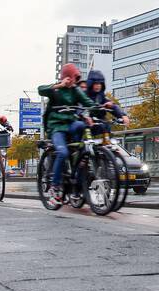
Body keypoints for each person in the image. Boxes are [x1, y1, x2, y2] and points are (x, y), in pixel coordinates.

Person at [38, 64, 96, 201]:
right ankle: (54, 186)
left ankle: (80, 157)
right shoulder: (56, 90)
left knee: (82, 126)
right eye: (73, 78)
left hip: (70, 125)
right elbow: (40, 89)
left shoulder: (76, 90)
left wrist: (100, 108)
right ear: (67, 77)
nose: (75, 81)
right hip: (56, 128)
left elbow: (88, 102)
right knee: (63, 152)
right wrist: (59, 85)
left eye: (76, 78)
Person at [84, 69, 130, 139]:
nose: (98, 86)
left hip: (100, 125)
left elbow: (113, 106)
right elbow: (79, 109)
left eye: (100, 84)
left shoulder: (101, 96)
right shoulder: (84, 95)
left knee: (107, 128)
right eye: (96, 83)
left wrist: (123, 115)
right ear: (91, 84)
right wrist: (86, 117)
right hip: (87, 125)